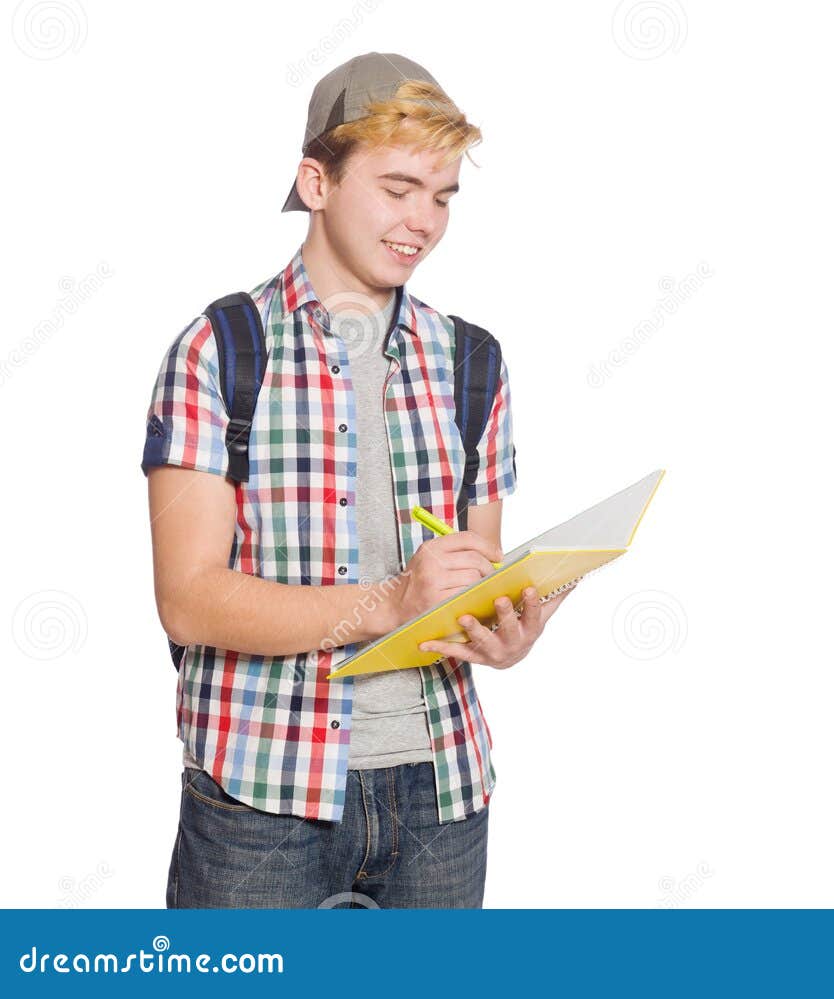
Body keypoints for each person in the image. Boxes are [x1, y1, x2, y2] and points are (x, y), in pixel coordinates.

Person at [142, 52, 570, 908]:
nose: (424, 220)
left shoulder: (472, 361)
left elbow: (468, 572)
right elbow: (188, 599)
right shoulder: (221, 351)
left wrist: (503, 630)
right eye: (400, 187)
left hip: (441, 793)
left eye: (444, 196)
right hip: (261, 800)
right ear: (317, 182)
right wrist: (392, 602)